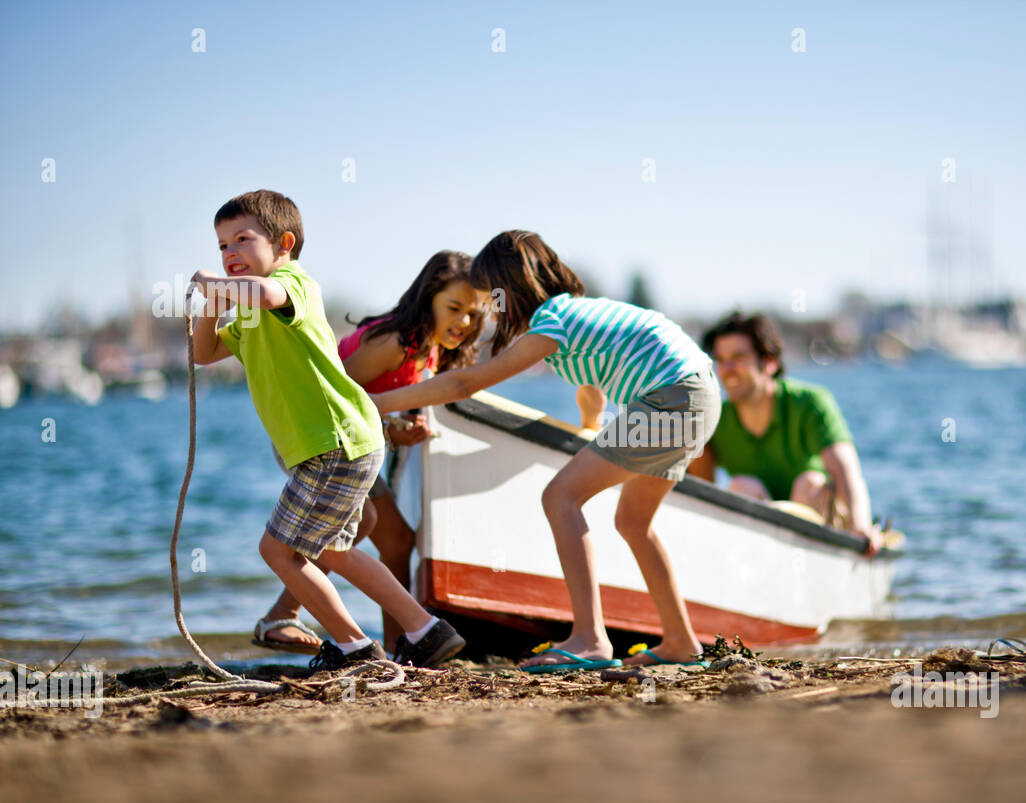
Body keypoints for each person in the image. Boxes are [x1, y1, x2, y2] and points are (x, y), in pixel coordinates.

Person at [372, 230, 721, 668]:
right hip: (700, 395)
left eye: (490, 300)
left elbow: (465, 383)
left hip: (669, 398)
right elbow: (594, 391)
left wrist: (377, 402)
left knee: (560, 497)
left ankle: (590, 639)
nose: (490, 312)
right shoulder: (578, 314)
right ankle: (681, 642)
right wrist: (592, 426)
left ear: (507, 290)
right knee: (634, 521)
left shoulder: (550, 323)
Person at [188, 189, 465, 672]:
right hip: (330, 449)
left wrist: (223, 285)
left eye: (242, 239)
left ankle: (355, 645)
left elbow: (268, 294)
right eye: (221, 246)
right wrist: (212, 300)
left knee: (277, 549)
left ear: (284, 244)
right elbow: (204, 352)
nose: (230, 252)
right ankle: (425, 630)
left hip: (334, 445)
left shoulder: (293, 284)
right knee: (332, 551)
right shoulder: (247, 310)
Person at [251, 250, 488, 656]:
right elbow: (336, 398)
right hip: (323, 444)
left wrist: (396, 428)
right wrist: (393, 428)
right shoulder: (394, 342)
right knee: (381, 537)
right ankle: (408, 639)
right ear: (428, 297)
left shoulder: (426, 347)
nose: (464, 321)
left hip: (349, 446)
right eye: (454, 307)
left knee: (382, 534)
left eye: (474, 313)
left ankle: (290, 616)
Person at [688, 311, 884, 555]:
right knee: (741, 486)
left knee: (809, 484)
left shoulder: (810, 403)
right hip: (758, 537)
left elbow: (846, 469)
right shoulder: (712, 418)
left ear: (769, 363)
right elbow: (699, 489)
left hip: (818, 517)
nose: (727, 369)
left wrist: (860, 526)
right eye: (721, 360)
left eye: (738, 358)